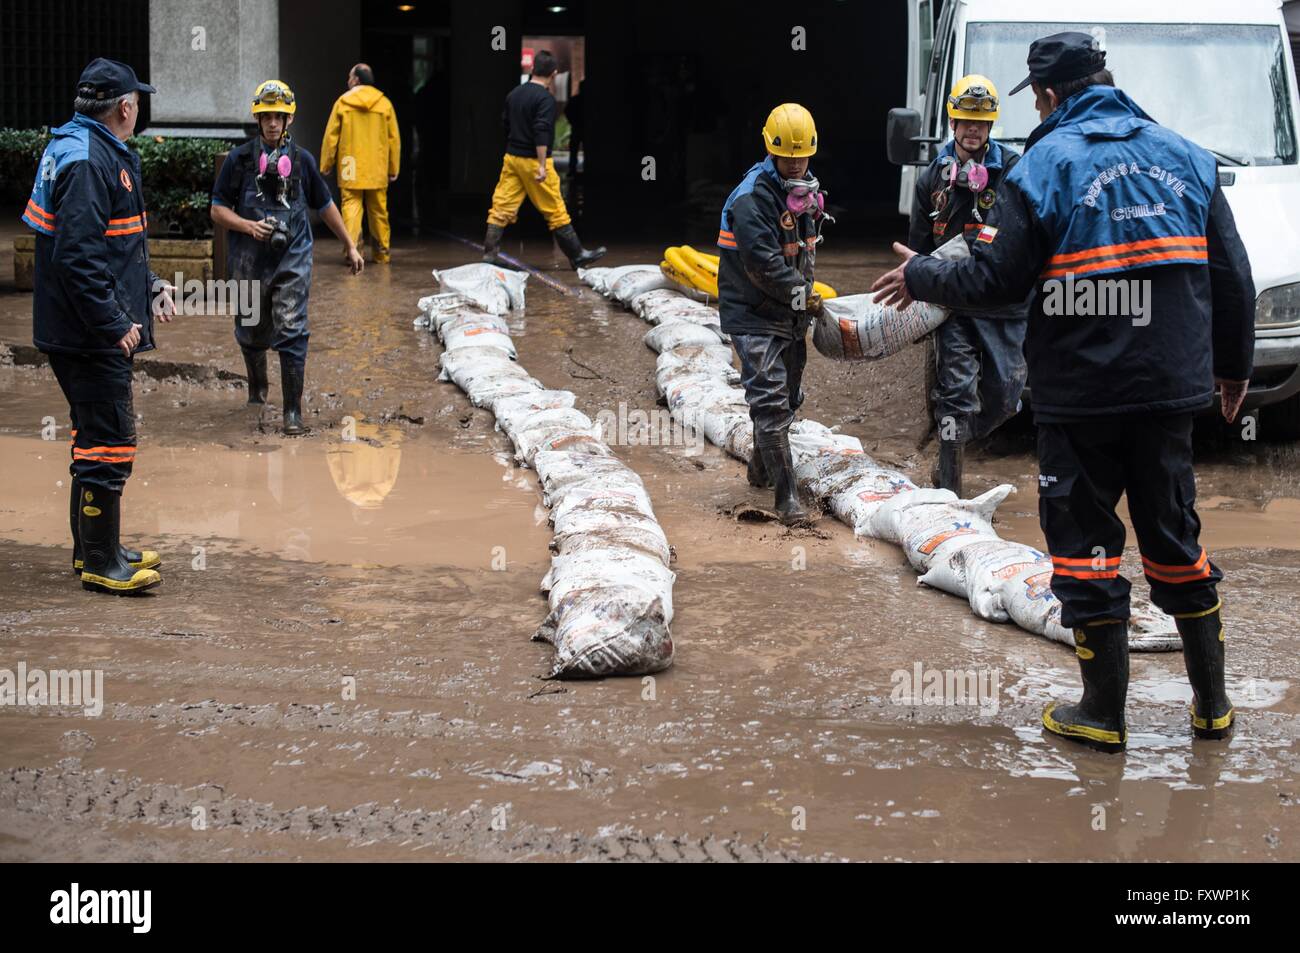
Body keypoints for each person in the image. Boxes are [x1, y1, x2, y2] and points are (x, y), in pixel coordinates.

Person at [873, 34, 1255, 752]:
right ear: (1105, 79)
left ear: (1047, 96)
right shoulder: (1185, 155)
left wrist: (923, 275)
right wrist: (1232, 370)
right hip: (1171, 390)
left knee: (1083, 547)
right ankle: (1212, 708)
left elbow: (996, 280)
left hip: (1083, 396)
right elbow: (1233, 275)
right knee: (1174, 535)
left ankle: (1102, 714)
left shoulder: (1044, 165)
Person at [24, 58, 174, 594]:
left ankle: (95, 547)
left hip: (79, 326)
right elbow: (79, 257)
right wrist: (114, 321)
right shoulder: (90, 162)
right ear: (125, 107)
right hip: (88, 333)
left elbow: (114, 246)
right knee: (110, 441)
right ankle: (100, 563)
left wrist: (150, 285)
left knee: (93, 439)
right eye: (137, 103)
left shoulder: (83, 148)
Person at [211, 80, 364, 436]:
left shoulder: (302, 161)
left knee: (292, 329)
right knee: (250, 331)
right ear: (257, 118)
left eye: (279, 117)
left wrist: (350, 244)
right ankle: (257, 390)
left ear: (289, 118)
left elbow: (324, 205)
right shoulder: (239, 161)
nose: (273, 124)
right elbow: (218, 210)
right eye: (266, 117)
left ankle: (292, 412)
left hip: (292, 256)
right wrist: (248, 227)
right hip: (248, 259)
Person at [908, 74, 1029, 496]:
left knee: (1005, 397)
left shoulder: (1014, 171)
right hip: (953, 302)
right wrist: (913, 302)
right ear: (952, 123)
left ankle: (951, 442)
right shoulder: (931, 181)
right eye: (965, 121)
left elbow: (1024, 234)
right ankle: (950, 488)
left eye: (981, 122)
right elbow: (918, 251)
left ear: (991, 126)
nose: (973, 129)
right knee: (955, 395)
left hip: (1002, 302)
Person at [717, 103, 833, 525]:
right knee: (769, 401)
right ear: (772, 150)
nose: (797, 163)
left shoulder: (805, 193)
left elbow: (803, 255)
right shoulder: (752, 199)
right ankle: (787, 500)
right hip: (752, 312)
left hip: (789, 313)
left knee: (788, 398)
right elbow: (765, 267)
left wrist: (803, 305)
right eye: (789, 157)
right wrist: (806, 297)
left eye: (803, 156)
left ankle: (760, 469)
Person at [482, 50, 605, 269]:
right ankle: (577, 255)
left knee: (502, 204)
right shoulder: (545, 98)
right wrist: (541, 164)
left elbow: (505, 124)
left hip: (512, 158)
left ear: (532, 69)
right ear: (554, 73)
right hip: (533, 160)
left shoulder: (514, 94)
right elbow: (542, 131)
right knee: (554, 207)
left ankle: (490, 254)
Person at [320, 63, 400, 264]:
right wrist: (393, 167)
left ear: (356, 80)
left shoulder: (343, 103)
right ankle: (382, 253)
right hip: (377, 164)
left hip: (350, 164)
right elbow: (394, 139)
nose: (348, 80)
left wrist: (326, 164)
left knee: (351, 207)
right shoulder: (384, 104)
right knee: (379, 210)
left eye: (350, 77)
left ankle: (351, 251)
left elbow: (331, 137)